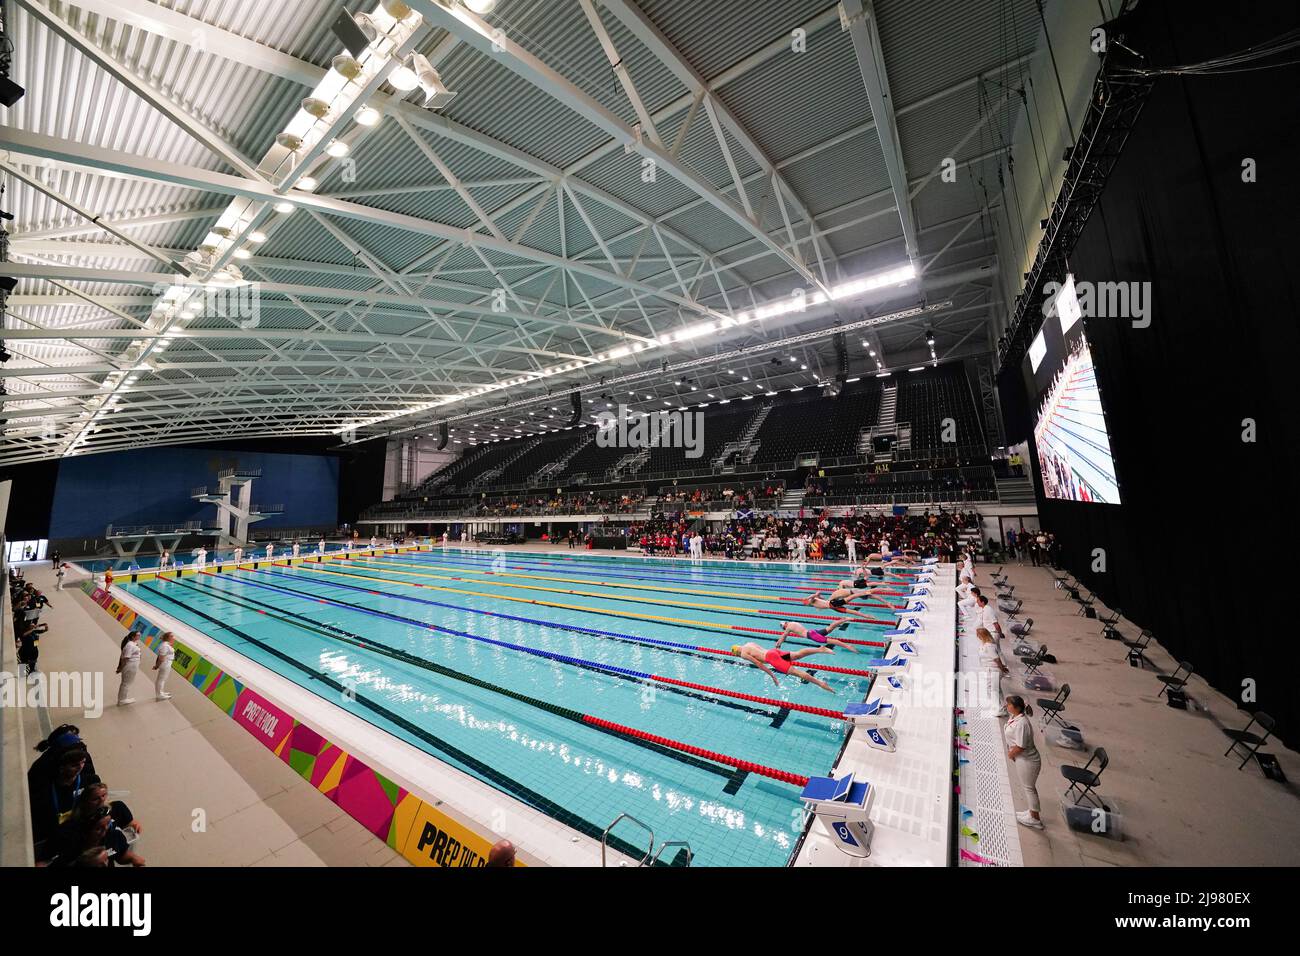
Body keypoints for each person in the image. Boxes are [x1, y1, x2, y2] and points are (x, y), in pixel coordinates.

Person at [730, 642, 834, 692]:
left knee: (796, 672)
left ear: (737, 652)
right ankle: (820, 649)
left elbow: (759, 664)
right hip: (774, 652)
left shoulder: (743, 654)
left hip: (772, 658)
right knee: (798, 654)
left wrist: (772, 675)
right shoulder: (749, 644)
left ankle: (821, 683)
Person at [1004, 695, 1043, 829]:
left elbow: (1020, 746)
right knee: (1028, 787)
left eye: (1009, 704)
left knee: (1029, 788)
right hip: (1023, 759)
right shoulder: (1016, 717)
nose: (1007, 706)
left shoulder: (1022, 724)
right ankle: (1031, 813)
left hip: (1028, 761)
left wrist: (1010, 754)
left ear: (1017, 707)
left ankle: (1035, 819)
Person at [775, 619, 859, 653]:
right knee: (829, 628)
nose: (784, 628)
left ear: (784, 625)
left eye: (784, 627)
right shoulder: (792, 623)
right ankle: (843, 619)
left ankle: (848, 646)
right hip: (812, 631)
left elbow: (784, 636)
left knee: (832, 641)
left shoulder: (789, 627)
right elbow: (784, 635)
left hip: (811, 635)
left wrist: (778, 645)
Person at [116, 630, 142, 706]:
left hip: (132, 666)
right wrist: (121, 668)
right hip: (130, 666)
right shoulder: (130, 645)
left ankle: (123, 699)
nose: (140, 636)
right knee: (126, 684)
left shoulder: (133, 644)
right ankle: (122, 700)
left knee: (126, 683)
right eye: (138, 635)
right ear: (133, 636)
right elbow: (125, 658)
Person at [153, 631, 176, 701]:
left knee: (162, 679)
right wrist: (157, 666)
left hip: (166, 663)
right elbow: (161, 658)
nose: (174, 638)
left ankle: (161, 692)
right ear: (168, 638)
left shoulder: (166, 645)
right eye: (172, 636)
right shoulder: (164, 646)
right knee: (161, 680)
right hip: (165, 664)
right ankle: (159, 695)